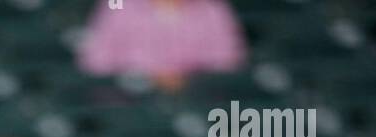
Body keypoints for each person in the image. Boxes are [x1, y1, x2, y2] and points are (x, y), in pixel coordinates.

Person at [76, 0, 247, 91]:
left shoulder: (212, 6)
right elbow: (95, 61)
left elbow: (228, 58)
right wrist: (148, 75)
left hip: (196, 94)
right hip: (132, 95)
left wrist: (184, 76)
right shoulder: (118, 3)